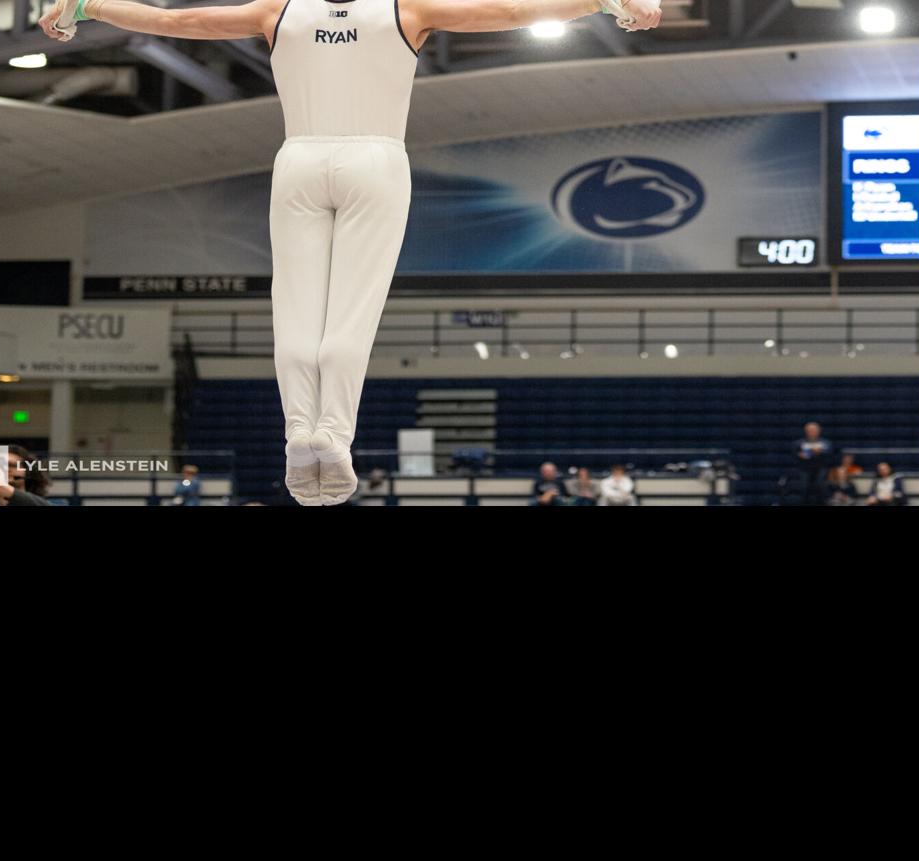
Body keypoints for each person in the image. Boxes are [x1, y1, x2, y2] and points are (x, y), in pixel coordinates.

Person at [39, 0, 664, 507]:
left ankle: (298, 435)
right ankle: (332, 438)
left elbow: (177, 21)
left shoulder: (277, 11)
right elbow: (508, 11)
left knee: (295, 309)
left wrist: (86, 6)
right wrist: (602, 1)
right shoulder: (405, 9)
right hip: (375, 158)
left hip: (300, 159)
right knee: (351, 314)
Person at [794, 422, 833, 506]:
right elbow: (794, 454)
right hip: (805, 468)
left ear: (819, 431)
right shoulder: (799, 443)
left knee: (820, 486)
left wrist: (820, 452)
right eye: (810, 430)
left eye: (814, 430)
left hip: (821, 468)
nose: (812, 432)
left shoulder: (825, 442)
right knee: (803, 487)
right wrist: (799, 455)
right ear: (806, 431)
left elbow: (829, 452)